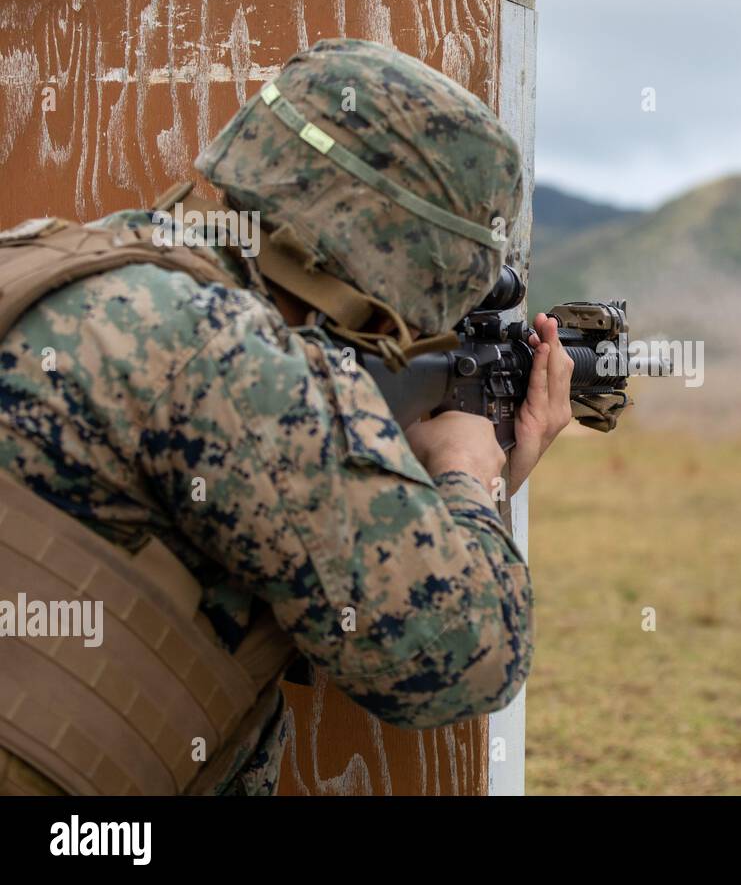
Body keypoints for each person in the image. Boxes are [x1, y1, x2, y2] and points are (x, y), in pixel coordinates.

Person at [0, 39, 571, 795]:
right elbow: (463, 657)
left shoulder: (69, 257)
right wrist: (470, 475)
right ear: (393, 258)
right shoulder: (240, 358)